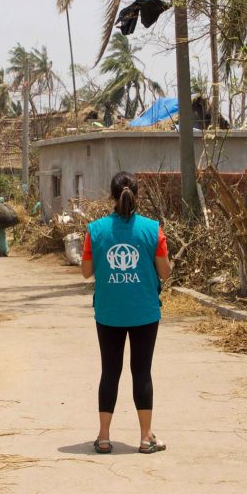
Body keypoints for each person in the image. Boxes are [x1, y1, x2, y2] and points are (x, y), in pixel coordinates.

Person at [80, 171, 168, 454]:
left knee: (110, 371)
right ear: (138, 196)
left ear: (111, 196)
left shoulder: (95, 230)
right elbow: (164, 272)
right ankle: (145, 438)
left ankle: (104, 437)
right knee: (141, 372)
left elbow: (85, 272)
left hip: (109, 313)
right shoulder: (154, 230)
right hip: (145, 311)